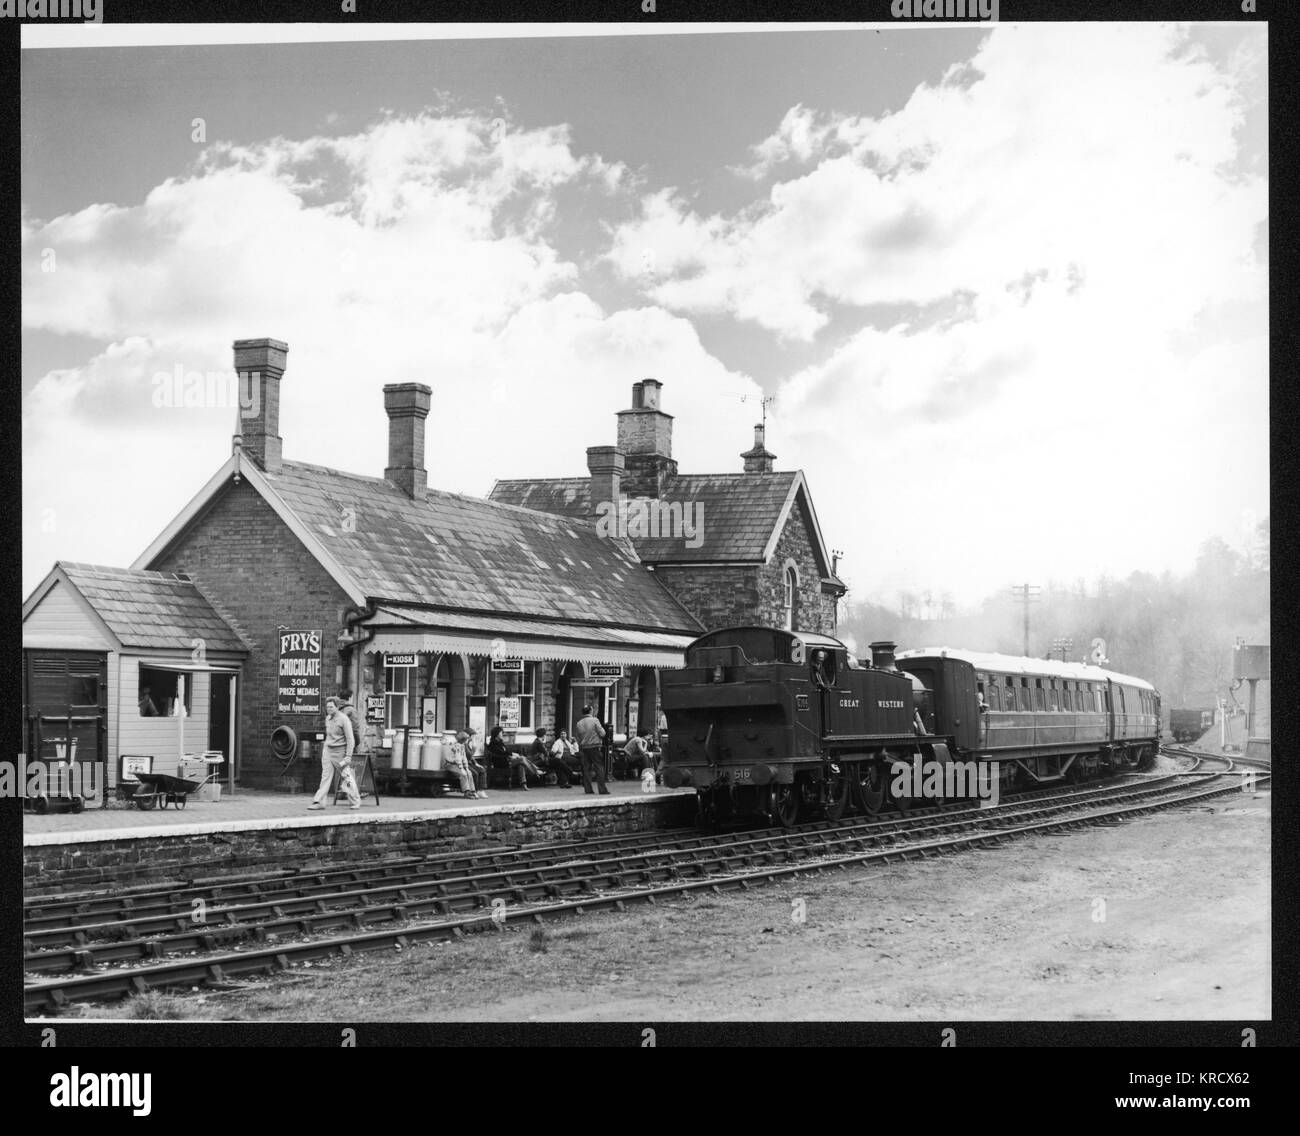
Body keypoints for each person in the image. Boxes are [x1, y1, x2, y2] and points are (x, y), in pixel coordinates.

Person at [310, 697, 359, 810]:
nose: (329, 709)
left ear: (337, 707)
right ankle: (320, 802)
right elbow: (330, 736)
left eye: (331, 707)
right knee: (325, 777)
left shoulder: (344, 719)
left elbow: (350, 739)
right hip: (328, 751)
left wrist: (348, 756)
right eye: (327, 707)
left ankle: (355, 800)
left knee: (346, 777)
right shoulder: (328, 719)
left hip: (340, 753)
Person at [574, 705, 609, 795]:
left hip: (584, 747)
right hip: (595, 746)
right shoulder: (595, 720)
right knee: (599, 767)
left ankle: (588, 789)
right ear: (590, 711)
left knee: (586, 768)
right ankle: (602, 789)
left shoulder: (579, 723)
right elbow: (602, 733)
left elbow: (578, 737)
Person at [449, 731, 486, 799]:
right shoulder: (456, 746)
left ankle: (472, 790)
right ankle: (466, 791)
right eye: (467, 739)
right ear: (464, 740)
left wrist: (466, 767)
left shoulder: (462, 746)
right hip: (452, 764)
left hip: (460, 764)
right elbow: (457, 758)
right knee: (464, 774)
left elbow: (464, 758)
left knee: (469, 773)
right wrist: (461, 768)